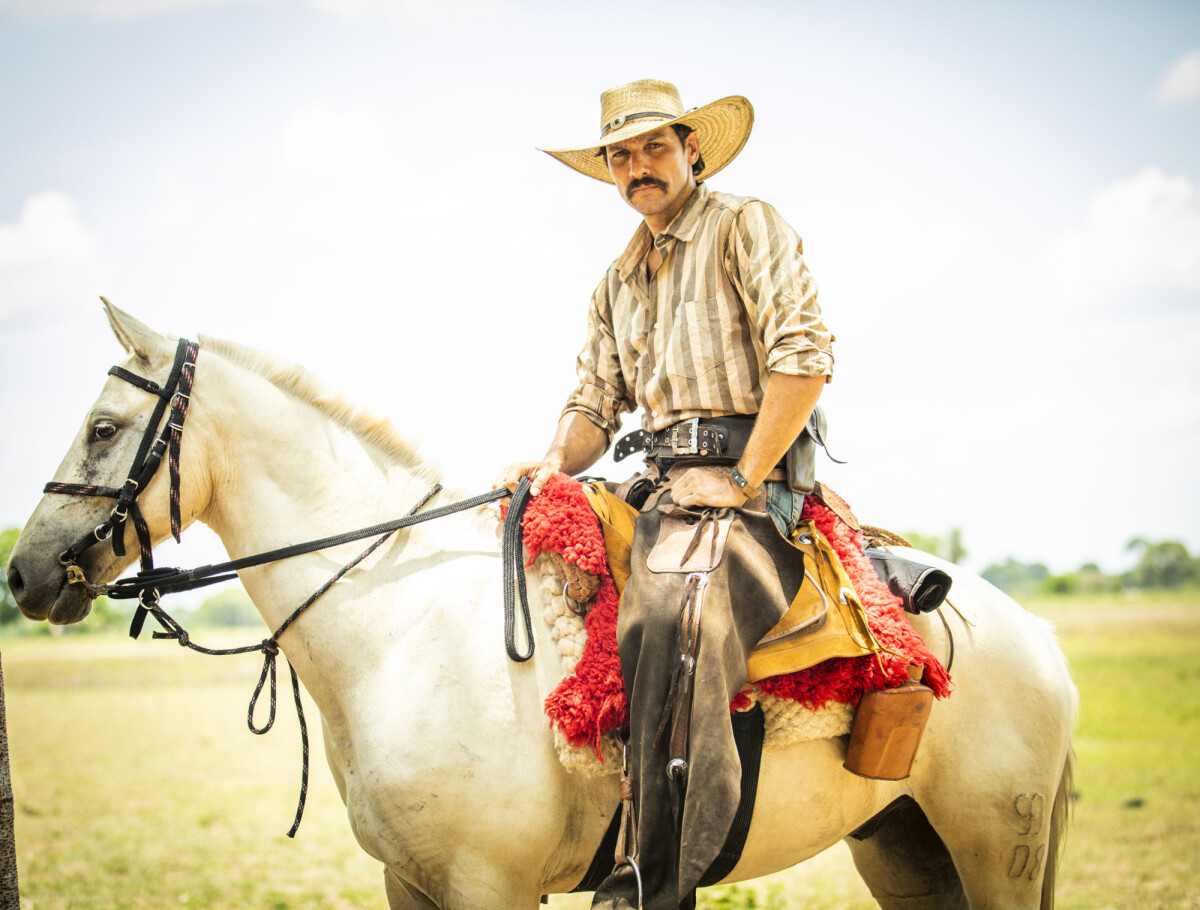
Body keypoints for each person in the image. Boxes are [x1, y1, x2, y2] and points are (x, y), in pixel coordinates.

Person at [496, 78, 834, 910]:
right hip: (661, 480)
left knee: (664, 615)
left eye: (655, 147)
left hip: (753, 477)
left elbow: (805, 357)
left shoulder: (744, 225)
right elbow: (592, 406)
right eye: (622, 154)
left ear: (693, 149)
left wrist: (746, 478)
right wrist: (548, 461)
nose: (638, 166)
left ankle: (655, 876)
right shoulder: (617, 280)